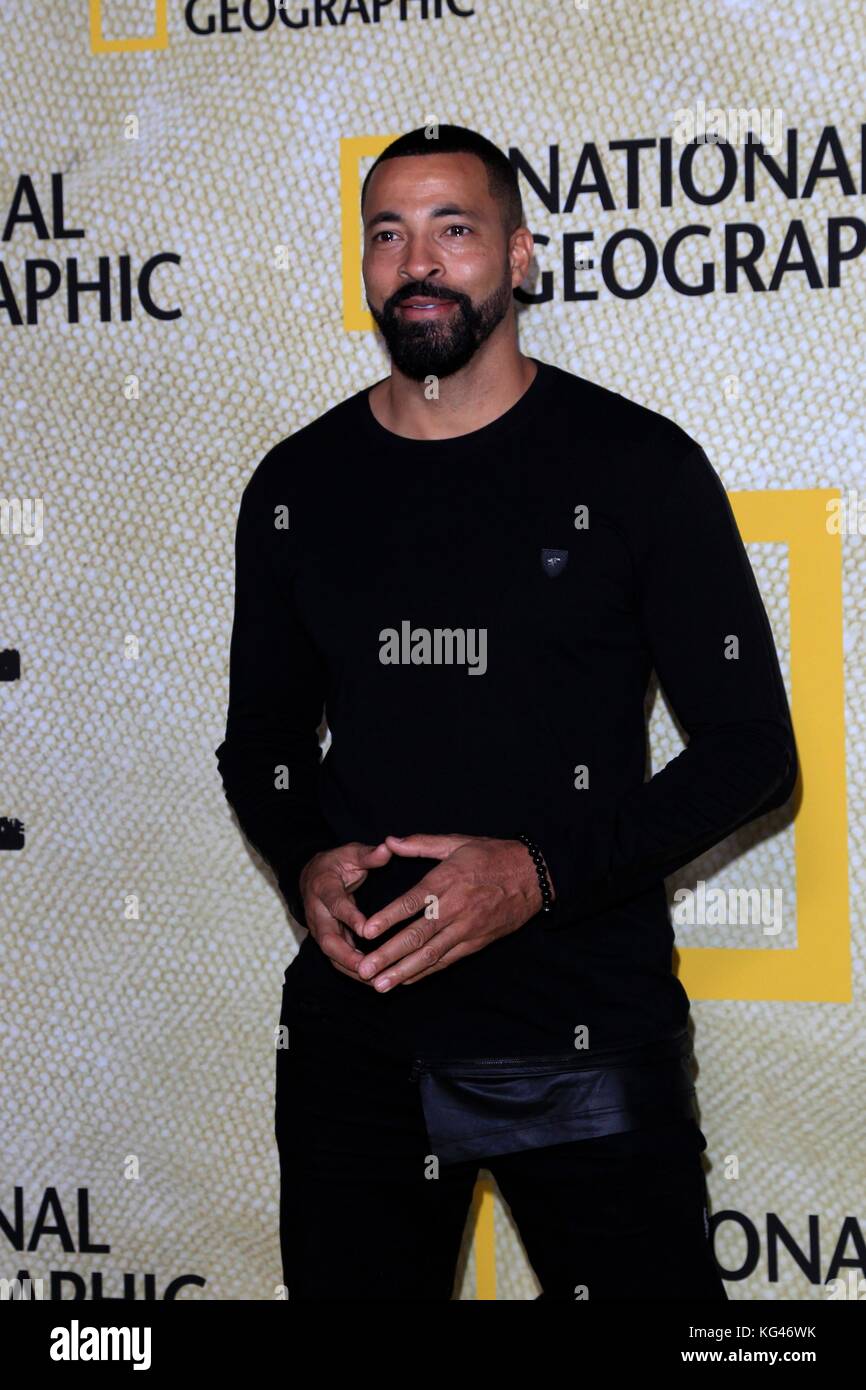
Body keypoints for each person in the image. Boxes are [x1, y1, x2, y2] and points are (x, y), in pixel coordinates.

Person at [214, 124, 798, 1300]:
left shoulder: (638, 467)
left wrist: (533, 873)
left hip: (576, 1027)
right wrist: (301, 857)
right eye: (388, 234)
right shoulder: (295, 487)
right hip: (358, 1035)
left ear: (520, 257)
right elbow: (261, 744)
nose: (416, 261)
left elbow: (749, 753)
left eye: (454, 228)